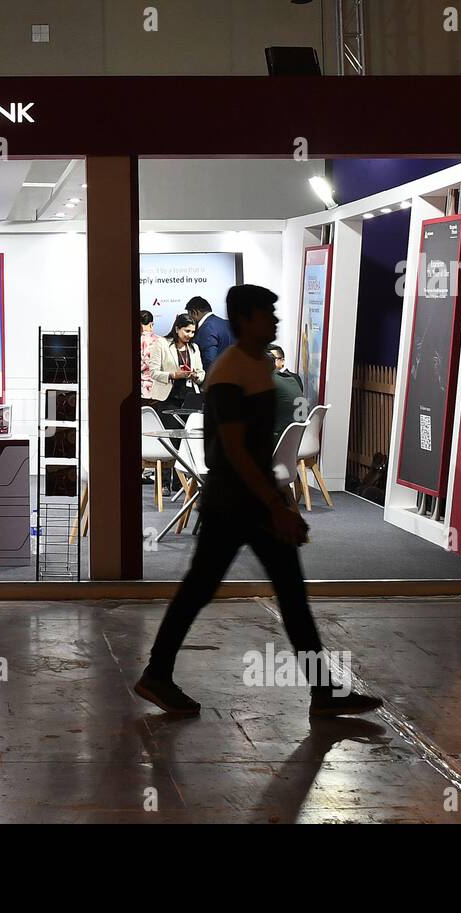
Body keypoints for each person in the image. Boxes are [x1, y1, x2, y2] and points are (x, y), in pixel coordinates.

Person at [135, 284, 382, 718]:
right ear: (246, 319)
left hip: (245, 499)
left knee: (279, 592)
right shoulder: (232, 369)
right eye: (268, 313)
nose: (275, 320)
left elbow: (252, 447)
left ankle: (321, 690)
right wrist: (274, 504)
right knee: (210, 590)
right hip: (235, 501)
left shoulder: (252, 364)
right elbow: (233, 447)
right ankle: (157, 675)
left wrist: (279, 498)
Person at [146, 314, 202, 429]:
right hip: (169, 398)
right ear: (177, 329)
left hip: (190, 397)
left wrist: (195, 376)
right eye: (187, 331)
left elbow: (201, 373)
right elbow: (153, 372)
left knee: (189, 436)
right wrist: (174, 375)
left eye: (193, 332)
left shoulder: (194, 347)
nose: (190, 335)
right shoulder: (162, 343)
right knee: (172, 435)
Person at [186, 295, 233, 375]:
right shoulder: (227, 323)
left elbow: (210, 360)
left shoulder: (206, 328)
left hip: (216, 381)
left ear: (195, 312)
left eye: (189, 315)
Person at [268, 343, 305, 442]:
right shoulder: (291, 379)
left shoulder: (273, 380)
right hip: (299, 437)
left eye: (274, 358)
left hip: (282, 439)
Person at [139, 310, 156, 402]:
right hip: (156, 386)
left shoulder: (129, 340)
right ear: (151, 324)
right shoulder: (160, 341)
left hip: (138, 387)